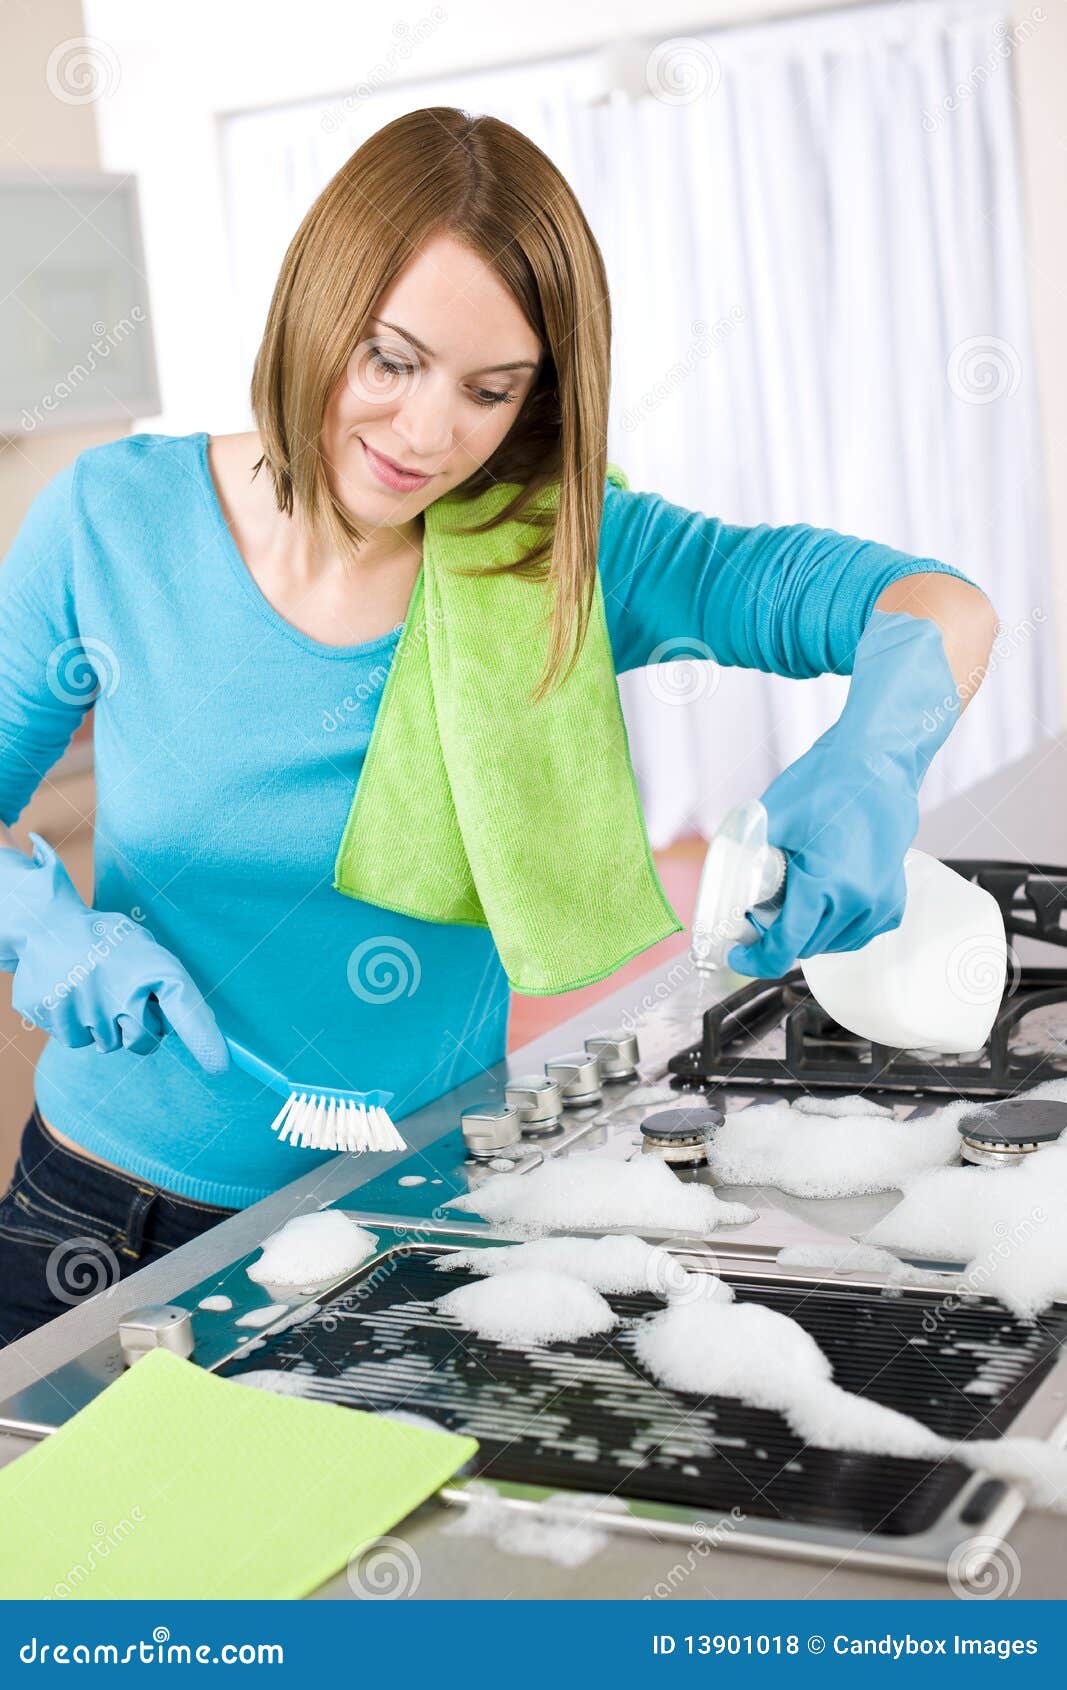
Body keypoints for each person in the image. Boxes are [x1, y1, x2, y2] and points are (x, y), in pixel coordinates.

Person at [0, 107, 997, 1348]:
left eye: (489, 390)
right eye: (389, 360)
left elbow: (933, 606)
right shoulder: (109, 523)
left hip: (404, 1210)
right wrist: (29, 918)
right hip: (99, 1215)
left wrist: (872, 761)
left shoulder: (557, 551)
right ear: (316, 311)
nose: (428, 436)